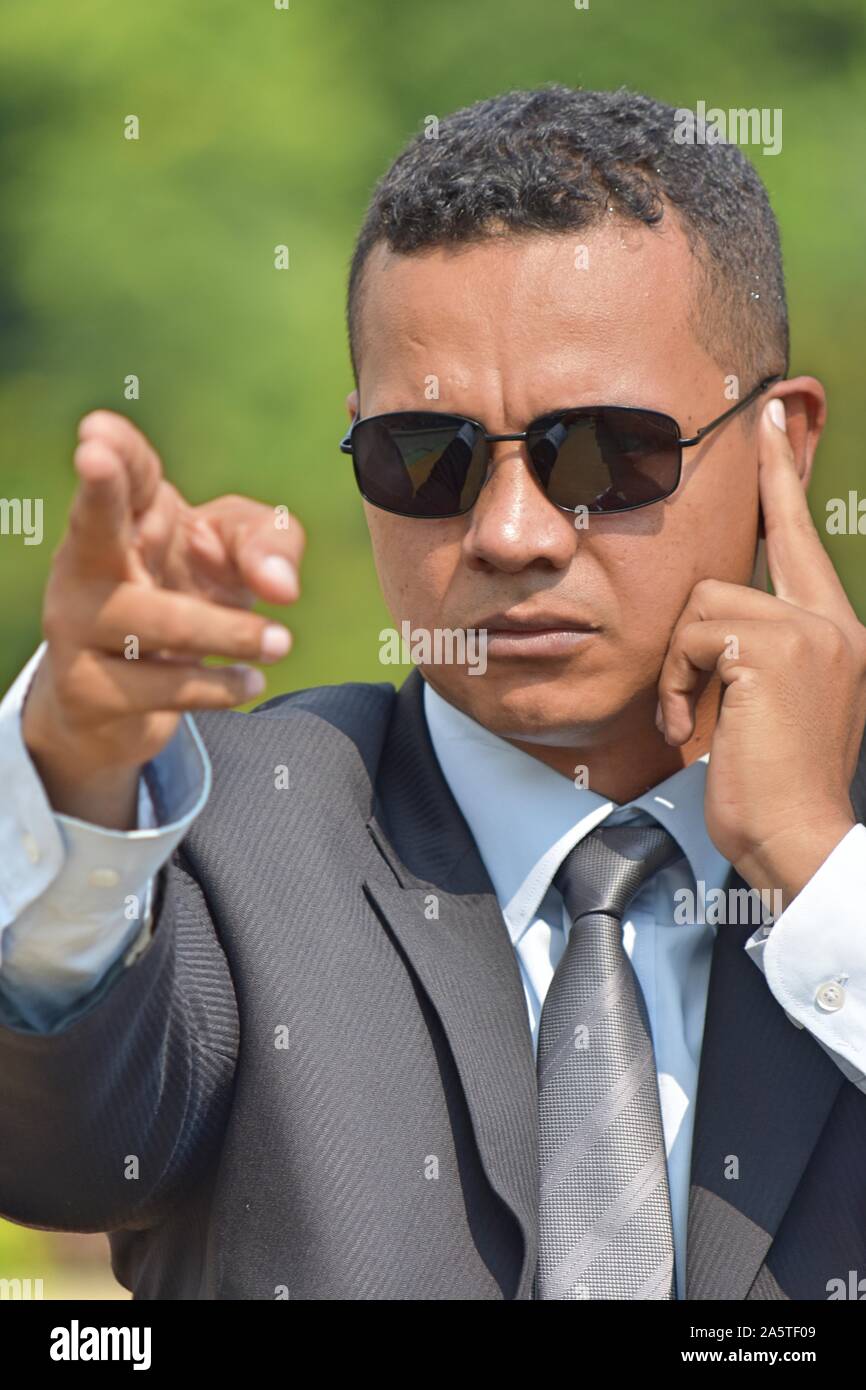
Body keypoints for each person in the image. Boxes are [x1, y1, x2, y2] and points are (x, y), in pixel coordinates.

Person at [1, 85, 865, 1301]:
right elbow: (55, 1151)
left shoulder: (845, 858)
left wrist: (819, 874)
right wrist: (73, 773)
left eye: (601, 453)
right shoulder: (225, 829)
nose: (510, 532)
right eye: (427, 459)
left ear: (782, 440)